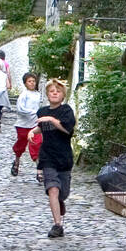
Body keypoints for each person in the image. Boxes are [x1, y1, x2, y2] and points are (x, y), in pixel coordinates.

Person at [36, 79, 76, 238]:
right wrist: (34, 131)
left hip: (64, 157)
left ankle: (60, 201)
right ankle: (57, 225)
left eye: (57, 91)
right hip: (47, 156)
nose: (54, 93)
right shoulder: (42, 111)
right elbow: (43, 126)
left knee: (62, 193)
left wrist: (51, 120)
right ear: (47, 94)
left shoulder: (66, 111)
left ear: (63, 95)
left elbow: (67, 130)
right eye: (51, 91)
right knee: (52, 188)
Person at [11, 72, 43, 177]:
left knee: (36, 145)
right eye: (30, 81)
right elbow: (20, 109)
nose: (32, 83)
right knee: (21, 145)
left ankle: (39, 171)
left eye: (33, 81)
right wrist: (33, 112)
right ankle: (16, 162)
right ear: (25, 83)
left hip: (35, 125)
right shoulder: (23, 95)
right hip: (23, 125)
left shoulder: (38, 95)